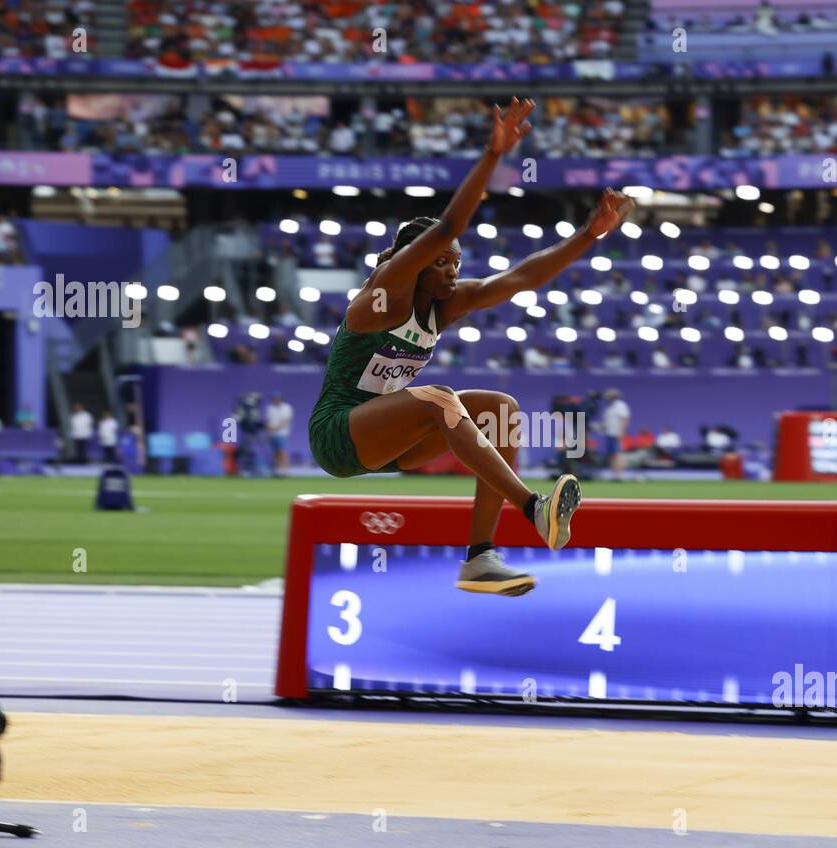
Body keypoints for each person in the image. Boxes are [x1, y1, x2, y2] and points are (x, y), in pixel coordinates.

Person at [306, 97, 634, 596]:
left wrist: (588, 235)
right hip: (339, 433)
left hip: (395, 440)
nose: (453, 269)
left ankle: (480, 558)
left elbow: (522, 278)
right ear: (414, 263)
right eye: (443, 263)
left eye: (457, 262)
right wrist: (493, 154)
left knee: (500, 410)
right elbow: (448, 227)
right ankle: (533, 508)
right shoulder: (385, 292)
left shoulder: (446, 302)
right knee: (440, 396)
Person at [600, 388, 631, 481]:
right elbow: (607, 422)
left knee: (617, 454)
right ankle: (614, 475)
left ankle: (620, 475)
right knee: (611, 455)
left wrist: (621, 432)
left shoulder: (620, 405)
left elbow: (625, 419)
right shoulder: (609, 407)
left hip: (616, 434)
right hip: (609, 433)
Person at [265, 392, 294, 475]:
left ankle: (285, 470)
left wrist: (274, 428)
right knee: (275, 452)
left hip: (282, 434)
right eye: (274, 398)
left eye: (277, 398)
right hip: (272, 434)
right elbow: (267, 421)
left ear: (280, 399)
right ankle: (277, 470)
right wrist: (268, 431)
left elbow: (285, 421)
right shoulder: (270, 408)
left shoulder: (286, 408)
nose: (275, 400)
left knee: (282, 452)